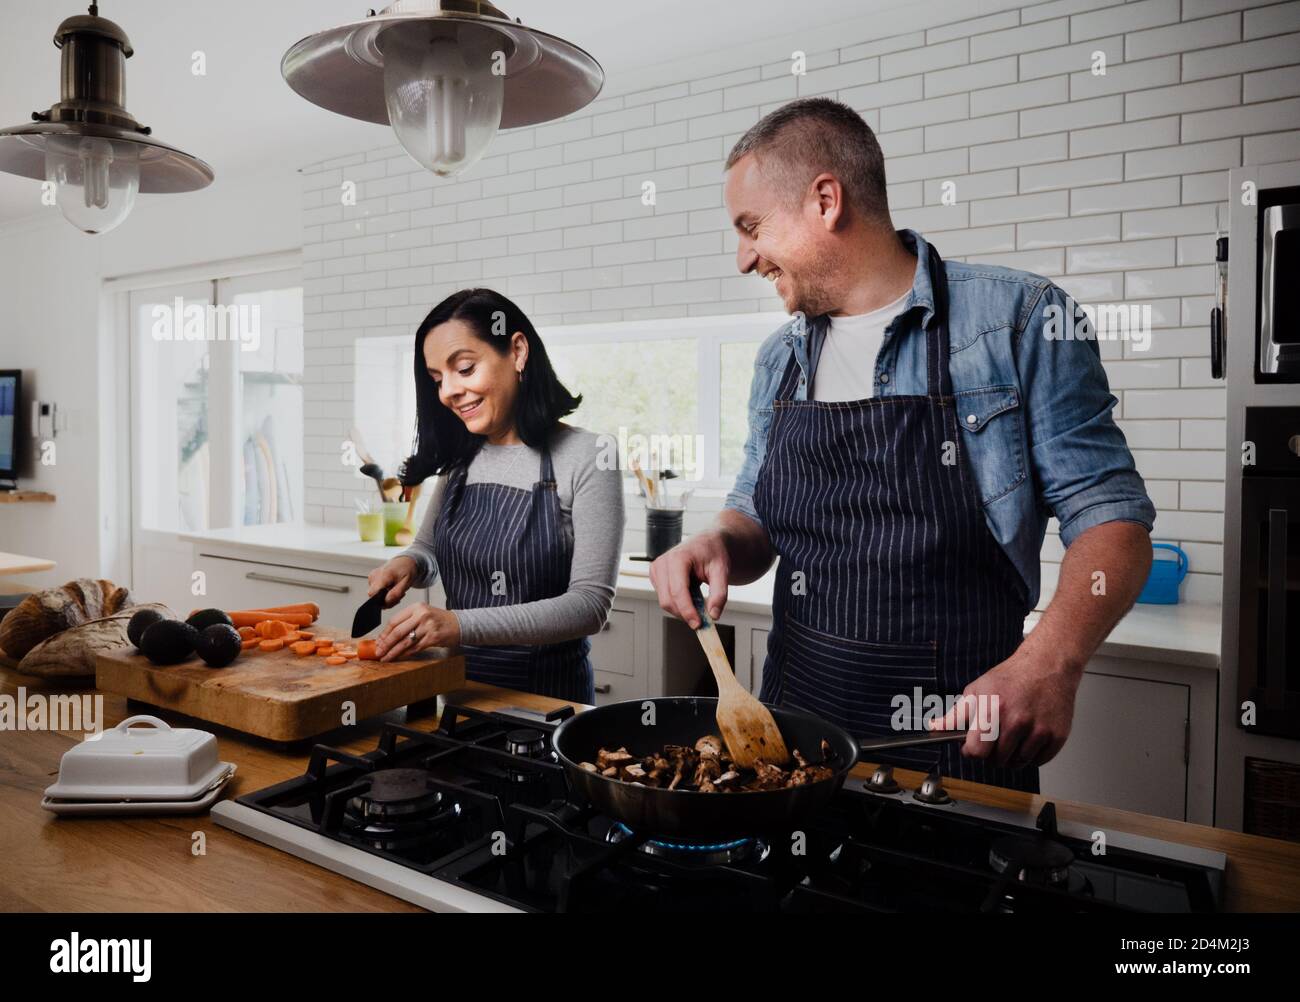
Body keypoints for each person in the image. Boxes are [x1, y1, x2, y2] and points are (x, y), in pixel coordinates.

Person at [650, 98, 1155, 792]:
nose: (744, 258)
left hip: (956, 742)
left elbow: (1112, 518)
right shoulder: (780, 359)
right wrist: (715, 544)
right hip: (789, 747)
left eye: (751, 227)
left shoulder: (1019, 320)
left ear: (826, 200)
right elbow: (755, 514)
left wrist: (1051, 661)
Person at [367, 288, 623, 703]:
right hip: (458, 699)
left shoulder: (590, 455)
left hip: (548, 707)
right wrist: (409, 563)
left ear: (517, 351)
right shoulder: (461, 455)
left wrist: (459, 625)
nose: (448, 391)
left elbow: (589, 606)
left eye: (464, 369)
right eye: (437, 379)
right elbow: (429, 549)